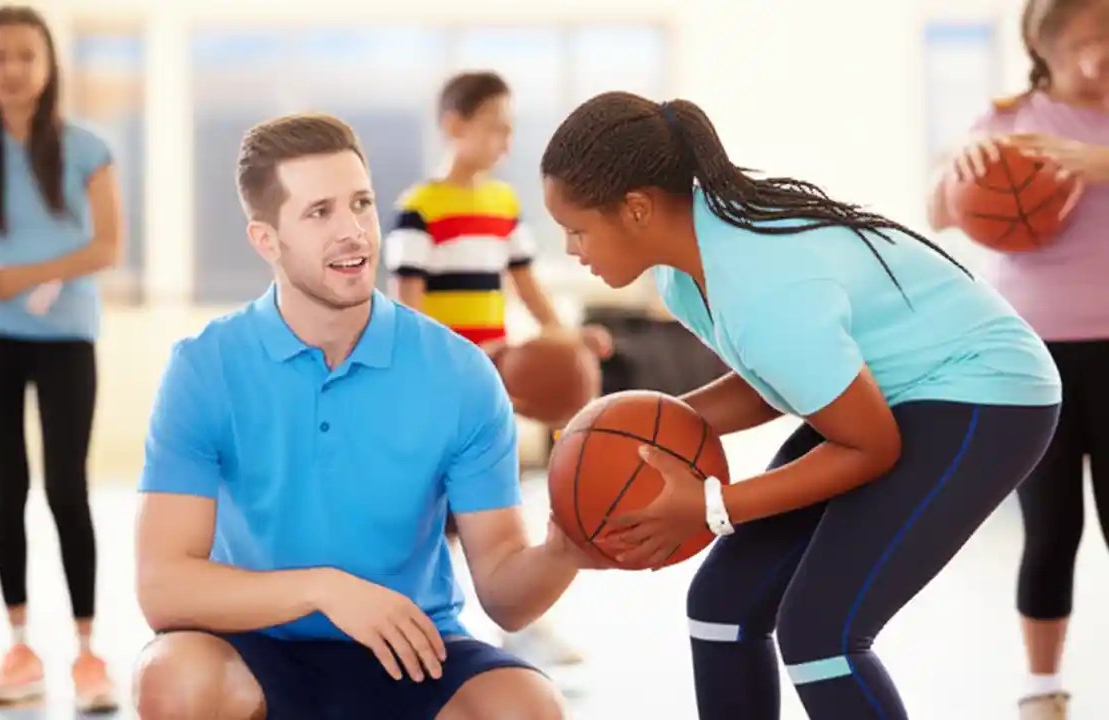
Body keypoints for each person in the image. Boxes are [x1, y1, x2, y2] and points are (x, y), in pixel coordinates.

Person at [539, 91, 1062, 720]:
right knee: (723, 606)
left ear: (638, 209)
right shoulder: (681, 272)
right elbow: (780, 376)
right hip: (889, 397)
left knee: (822, 635)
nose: (572, 249)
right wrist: (626, 434)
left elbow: (870, 447)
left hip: (985, 394)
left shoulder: (762, 285)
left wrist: (710, 507)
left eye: (576, 230)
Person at [131, 112, 586, 720]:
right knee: (173, 677)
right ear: (267, 240)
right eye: (319, 213)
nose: (353, 232)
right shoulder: (205, 367)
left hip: (413, 649)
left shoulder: (460, 373)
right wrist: (324, 589)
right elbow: (162, 587)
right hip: (257, 648)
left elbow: (503, 592)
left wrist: (567, 547)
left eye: (361, 204)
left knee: (528, 706)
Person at [385, 69, 609, 670]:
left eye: (510, 131)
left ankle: (522, 627)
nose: (505, 143)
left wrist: (568, 336)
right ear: (454, 125)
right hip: (437, 385)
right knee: (432, 518)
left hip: (494, 387)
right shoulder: (417, 209)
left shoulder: (503, 205)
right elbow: (408, 304)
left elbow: (528, 288)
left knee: (500, 510)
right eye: (494, 128)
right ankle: (412, 623)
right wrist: (441, 365)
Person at [928, 1, 1109, 717]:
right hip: (1034, 360)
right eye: (1087, 43)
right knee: (1050, 525)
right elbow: (938, 210)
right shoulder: (1007, 120)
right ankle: (1042, 689)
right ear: (1048, 47)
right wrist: (958, 170)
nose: (1100, 58)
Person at [0, 5, 123, 712]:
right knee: (4, 486)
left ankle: (87, 654)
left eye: (25, 55)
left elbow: (107, 247)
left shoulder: (86, 148)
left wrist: (21, 277)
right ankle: (20, 647)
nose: (12, 69)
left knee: (65, 488)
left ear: (48, 65)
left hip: (66, 339)